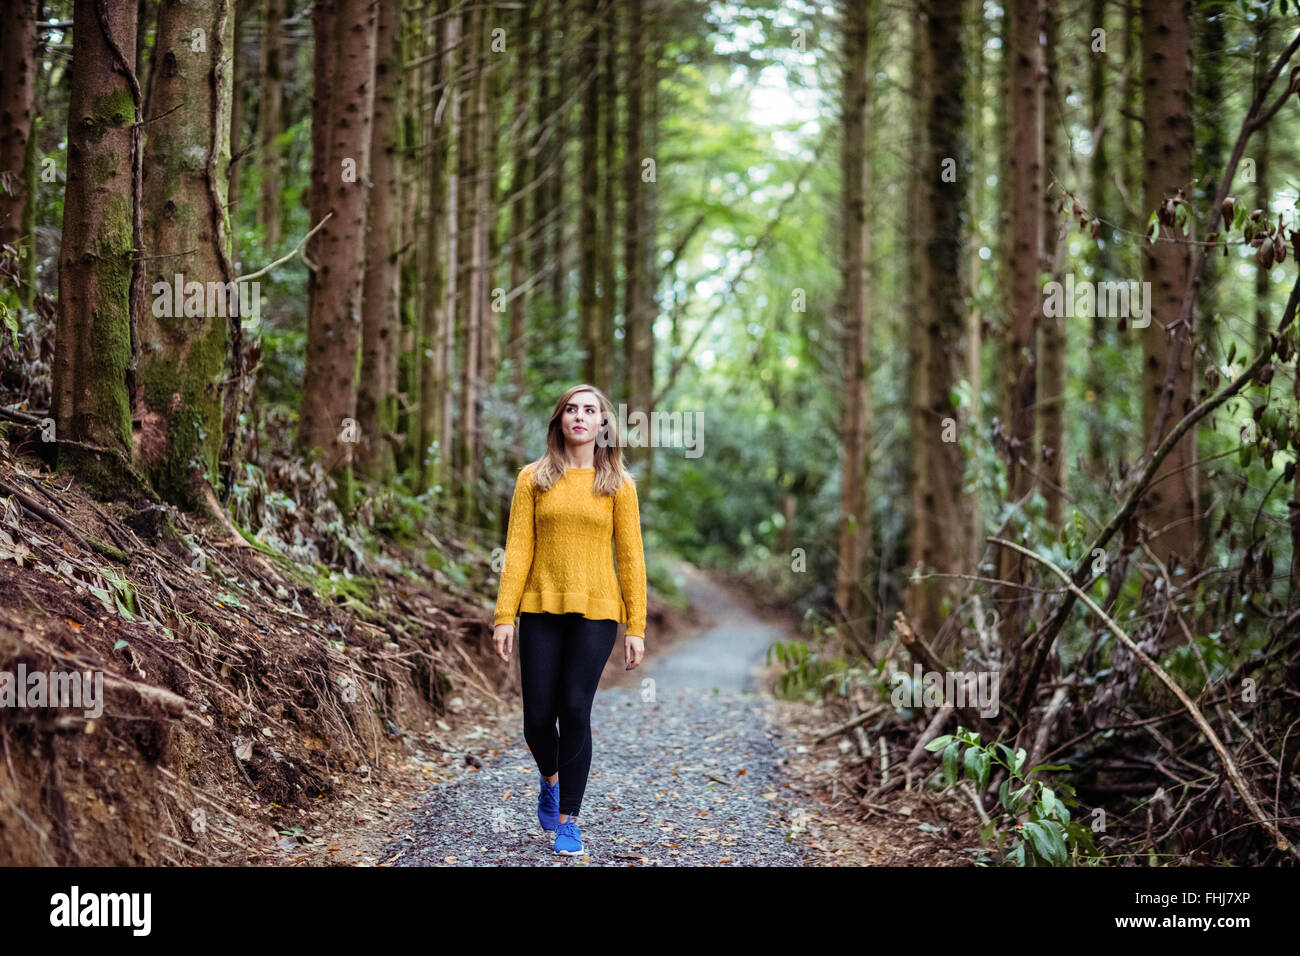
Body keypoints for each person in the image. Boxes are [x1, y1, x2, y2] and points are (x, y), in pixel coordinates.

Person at [491, 383, 647, 856]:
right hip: (540, 609)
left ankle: (569, 821)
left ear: (603, 424)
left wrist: (635, 627)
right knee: (538, 720)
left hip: (597, 613)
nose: (580, 416)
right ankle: (550, 778)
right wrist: (504, 615)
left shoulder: (618, 484)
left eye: (590, 410)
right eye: (571, 409)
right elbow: (518, 550)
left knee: (576, 710)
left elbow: (632, 558)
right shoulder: (532, 478)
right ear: (560, 420)